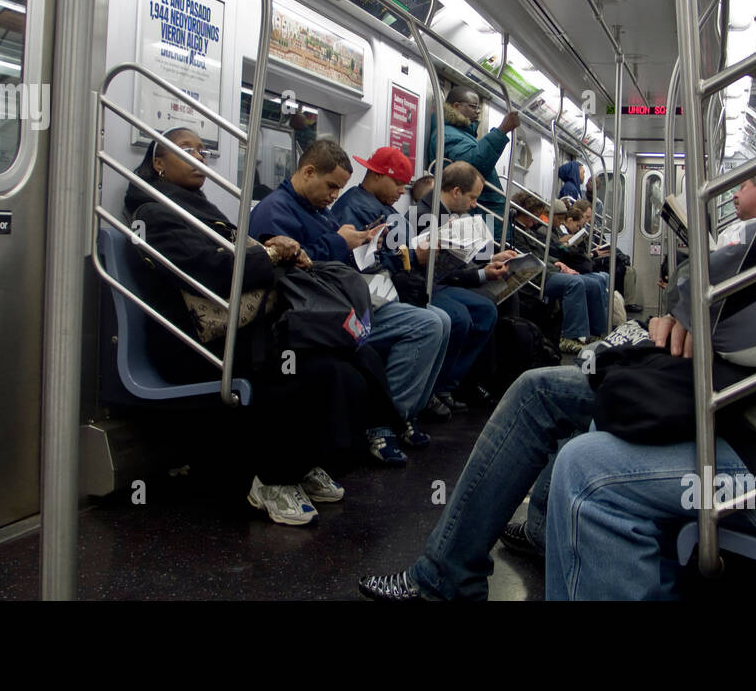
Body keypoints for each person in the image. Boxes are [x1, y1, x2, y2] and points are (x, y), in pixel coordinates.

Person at [357, 14, 756, 600]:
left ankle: (519, 537)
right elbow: (749, 279)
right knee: (544, 389)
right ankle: (445, 576)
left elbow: (751, 314)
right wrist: (688, 305)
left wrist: (692, 308)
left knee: (593, 472)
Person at [123, 129, 396, 526]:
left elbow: (233, 260)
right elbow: (213, 271)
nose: (199, 156)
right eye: (186, 151)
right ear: (158, 164)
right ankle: (272, 478)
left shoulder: (200, 210)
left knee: (358, 354)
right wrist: (269, 253)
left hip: (241, 328)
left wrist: (281, 255)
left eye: (203, 149)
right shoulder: (154, 215)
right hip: (197, 341)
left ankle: (306, 461)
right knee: (322, 371)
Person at [248, 136, 450, 462]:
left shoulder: (317, 210)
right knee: (425, 324)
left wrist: (360, 243)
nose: (334, 196)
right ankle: (384, 424)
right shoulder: (275, 212)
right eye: (330, 186)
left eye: (339, 189)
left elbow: (333, 254)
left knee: (441, 319)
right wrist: (342, 242)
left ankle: (403, 414)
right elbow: (290, 267)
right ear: (309, 172)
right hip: (312, 312)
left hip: (342, 296)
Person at [357, 159, 510, 412]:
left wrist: (490, 260)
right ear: (457, 191)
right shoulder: (420, 216)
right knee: (460, 317)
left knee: (487, 308)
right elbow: (413, 262)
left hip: (439, 280)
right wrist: (481, 274)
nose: (474, 205)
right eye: (472, 198)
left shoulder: (451, 216)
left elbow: (460, 259)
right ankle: (438, 386)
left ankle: (452, 382)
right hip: (418, 284)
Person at [504, 193, 608, 353]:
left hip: (546, 269)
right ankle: (570, 337)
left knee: (593, 284)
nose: (536, 220)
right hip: (535, 276)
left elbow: (543, 253)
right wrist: (558, 267)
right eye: (534, 216)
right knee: (575, 283)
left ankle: (595, 333)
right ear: (523, 213)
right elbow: (530, 260)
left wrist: (558, 264)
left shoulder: (529, 230)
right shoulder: (515, 232)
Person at [425, 86, 520, 238]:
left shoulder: (462, 134)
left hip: (485, 212)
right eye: (473, 106)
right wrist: (502, 131)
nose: (477, 111)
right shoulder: (447, 135)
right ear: (456, 106)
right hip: (478, 212)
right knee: (486, 257)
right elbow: (472, 165)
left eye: (479, 108)